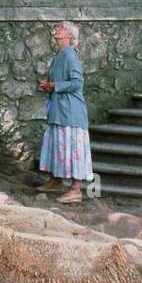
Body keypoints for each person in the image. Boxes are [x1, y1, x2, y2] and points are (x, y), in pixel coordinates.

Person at [36, 21, 92, 203]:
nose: (57, 29)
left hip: (71, 112)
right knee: (57, 144)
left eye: (61, 27)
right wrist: (49, 86)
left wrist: (55, 86)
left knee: (72, 147)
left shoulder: (69, 55)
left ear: (69, 35)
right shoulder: (60, 55)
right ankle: (56, 179)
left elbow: (77, 83)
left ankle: (76, 189)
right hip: (59, 110)